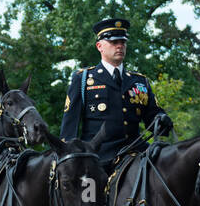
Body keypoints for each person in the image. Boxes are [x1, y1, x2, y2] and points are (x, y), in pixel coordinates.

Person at [61, 18, 173, 165]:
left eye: (123, 42)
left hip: (137, 152)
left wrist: (161, 119)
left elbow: (152, 115)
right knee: (90, 188)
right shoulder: (83, 79)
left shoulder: (139, 81)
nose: (120, 46)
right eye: (114, 42)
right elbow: (69, 127)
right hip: (98, 158)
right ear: (99, 46)